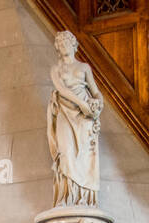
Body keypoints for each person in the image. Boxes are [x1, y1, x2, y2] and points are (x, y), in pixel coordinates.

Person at [47, 31, 103, 207]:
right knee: (66, 151)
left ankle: (83, 198)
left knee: (84, 155)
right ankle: (66, 197)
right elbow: (62, 90)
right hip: (65, 111)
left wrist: (99, 103)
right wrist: (81, 104)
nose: (64, 46)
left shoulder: (84, 67)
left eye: (67, 43)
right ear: (57, 48)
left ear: (74, 45)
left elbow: (95, 91)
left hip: (84, 117)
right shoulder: (56, 69)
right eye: (60, 44)